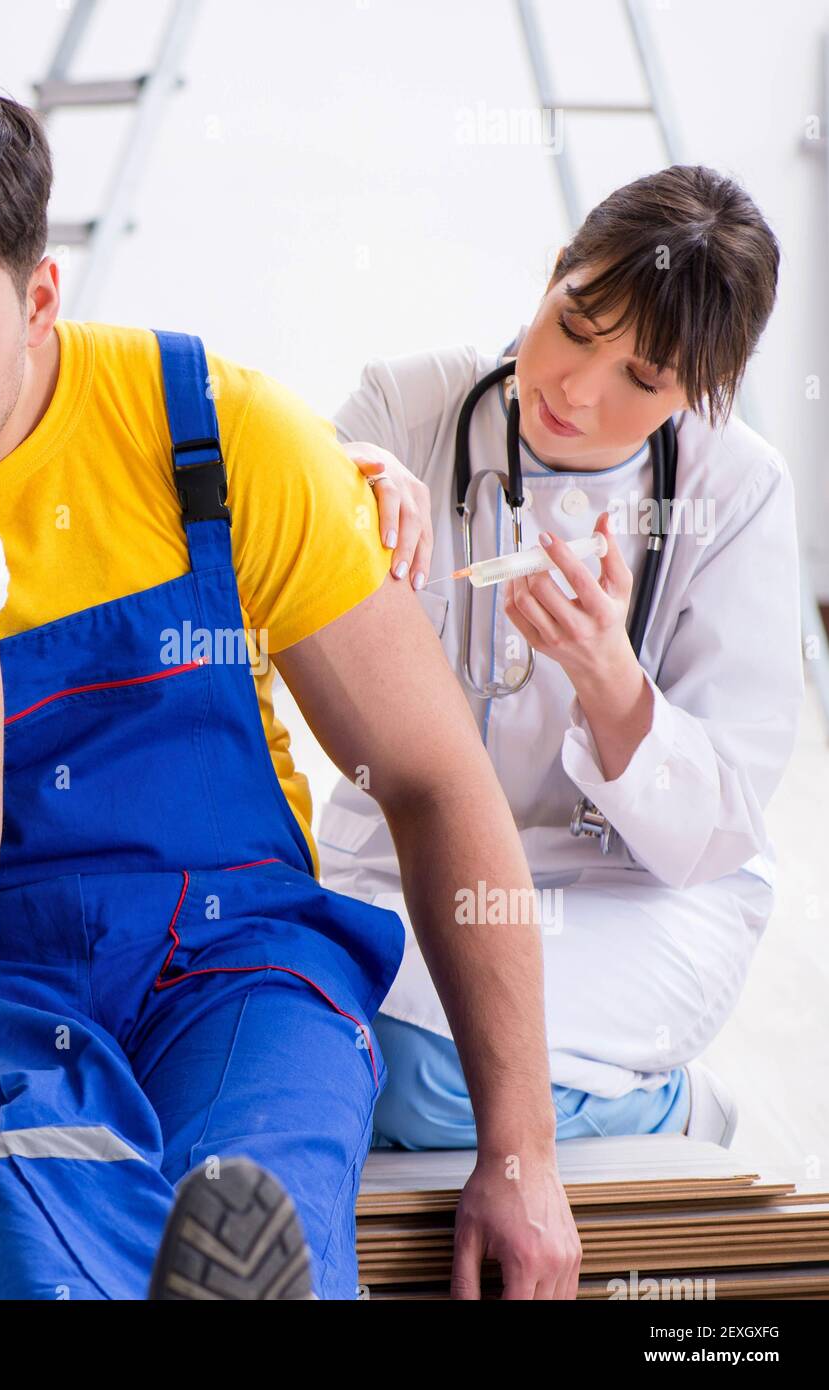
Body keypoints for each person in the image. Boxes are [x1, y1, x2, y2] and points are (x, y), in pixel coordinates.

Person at [0, 74, 581, 1299]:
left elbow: (432, 777)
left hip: (233, 966)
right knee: (20, 1181)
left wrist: (518, 1151)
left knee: (260, 1198)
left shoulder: (216, 437)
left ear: (39, 301)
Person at [319, 165, 803, 1154]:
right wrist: (330, 495)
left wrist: (608, 678)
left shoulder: (739, 491)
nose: (573, 391)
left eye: (641, 379)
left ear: (699, 393)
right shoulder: (403, 408)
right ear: (551, 275)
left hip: (634, 896)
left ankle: (668, 1107)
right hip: (401, 867)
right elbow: (248, 568)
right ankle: (605, 1098)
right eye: (575, 325)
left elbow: (717, 824)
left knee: (422, 1075)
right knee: (298, 1033)